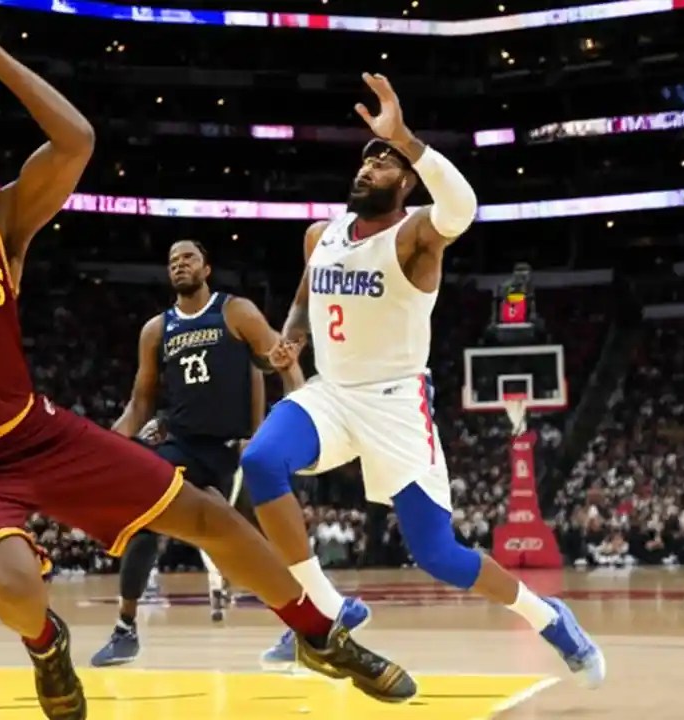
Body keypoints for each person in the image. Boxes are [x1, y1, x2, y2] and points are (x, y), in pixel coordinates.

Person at [0, 4, 417, 717]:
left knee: (208, 516)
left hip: (34, 433)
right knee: (17, 587)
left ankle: (318, 635)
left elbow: (75, 140)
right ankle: (47, 643)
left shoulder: (1, 231)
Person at [242, 73, 606, 689]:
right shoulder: (320, 235)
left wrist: (406, 138)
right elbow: (306, 295)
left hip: (394, 403)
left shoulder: (416, 237)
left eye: (383, 162)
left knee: (439, 555)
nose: (368, 168)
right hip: (332, 394)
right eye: (366, 160)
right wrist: (292, 336)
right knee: (260, 460)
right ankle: (325, 608)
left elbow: (462, 208)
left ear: (407, 182)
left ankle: (550, 618)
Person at [90, 239, 307, 667]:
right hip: (184, 446)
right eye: (172, 260)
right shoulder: (156, 330)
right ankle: (125, 629)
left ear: (206, 268)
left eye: (188, 257)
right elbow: (140, 403)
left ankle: (304, 626)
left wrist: (291, 408)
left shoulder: (235, 311)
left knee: (271, 536)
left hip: (235, 449)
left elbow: (277, 359)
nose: (179, 264)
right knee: (147, 518)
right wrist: (105, 447)